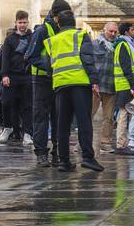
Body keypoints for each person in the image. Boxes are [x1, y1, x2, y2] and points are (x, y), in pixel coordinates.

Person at [37, 9, 104, 172]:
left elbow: (47, 63)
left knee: (62, 124)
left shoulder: (52, 40)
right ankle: (88, 158)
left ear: (58, 24)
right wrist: (94, 81)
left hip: (60, 84)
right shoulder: (80, 36)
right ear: (74, 23)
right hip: (80, 83)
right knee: (84, 122)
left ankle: (64, 161)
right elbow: (88, 59)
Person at [25, 0, 69, 167]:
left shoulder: (63, 30)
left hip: (59, 80)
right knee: (41, 117)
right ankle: (41, 153)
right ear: (56, 15)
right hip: (42, 79)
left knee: (59, 118)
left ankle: (57, 152)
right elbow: (31, 56)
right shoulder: (43, 30)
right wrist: (50, 66)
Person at [0, 11, 33, 144]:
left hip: (27, 76)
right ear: (15, 23)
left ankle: (28, 133)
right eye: (20, 22)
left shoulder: (32, 37)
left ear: (27, 22)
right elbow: (4, 58)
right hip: (11, 76)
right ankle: (7, 127)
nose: (22, 25)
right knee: (6, 102)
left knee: (27, 106)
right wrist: (4, 75)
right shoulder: (10, 39)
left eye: (24, 22)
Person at [112, 20, 134, 155]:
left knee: (125, 115)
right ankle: (121, 145)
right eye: (132, 30)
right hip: (125, 85)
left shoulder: (125, 44)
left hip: (126, 85)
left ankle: (123, 143)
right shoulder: (124, 45)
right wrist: (133, 86)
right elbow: (126, 68)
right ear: (126, 32)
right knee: (123, 115)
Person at [89, 21, 118, 152]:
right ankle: (82, 142)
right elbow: (89, 64)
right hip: (96, 86)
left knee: (109, 117)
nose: (113, 34)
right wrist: (92, 83)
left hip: (111, 86)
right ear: (103, 30)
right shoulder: (94, 44)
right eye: (110, 31)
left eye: (115, 32)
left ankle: (105, 142)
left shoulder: (119, 45)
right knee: (88, 115)